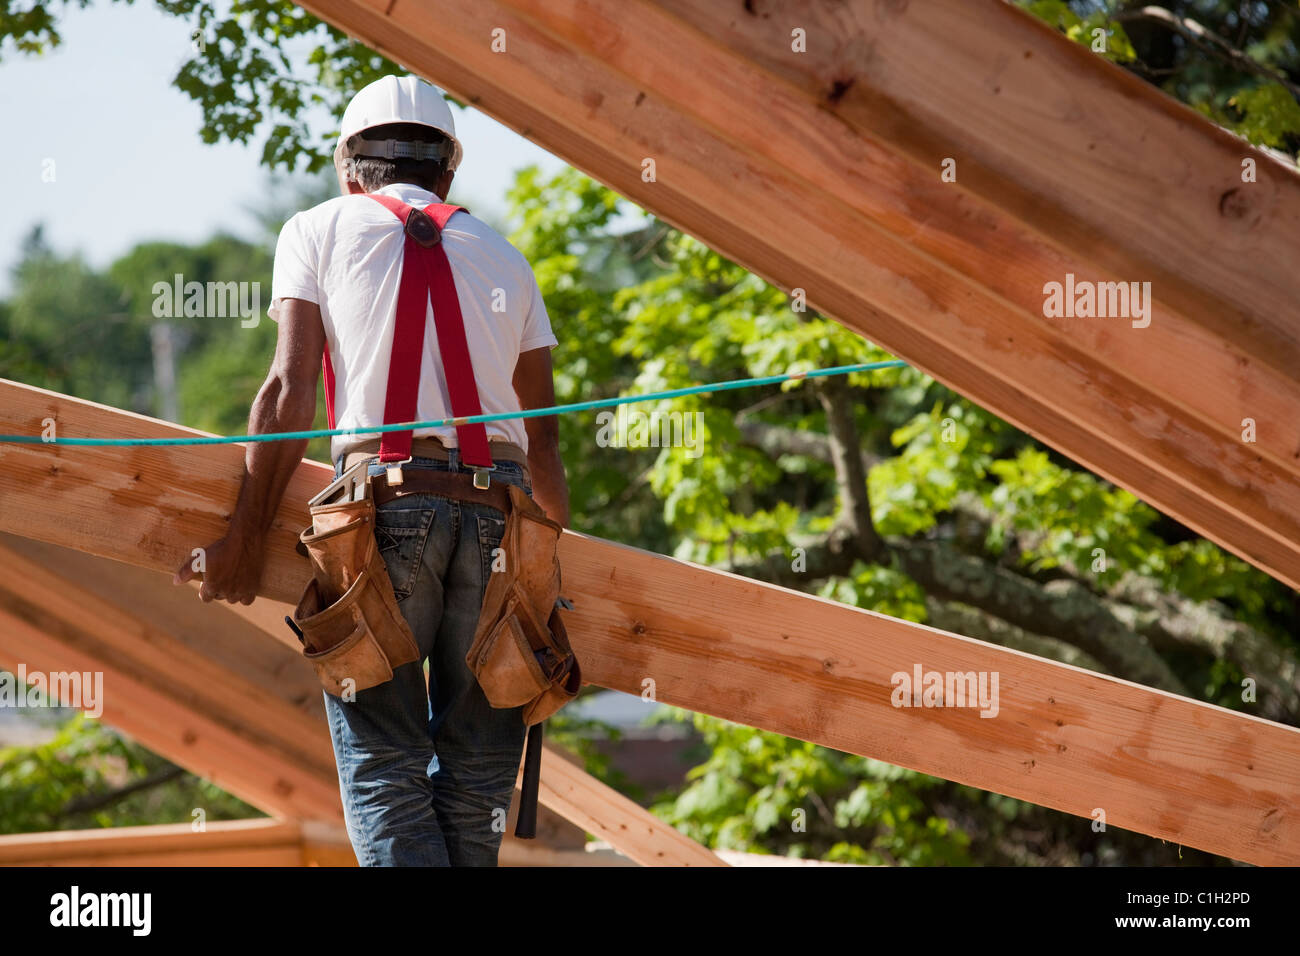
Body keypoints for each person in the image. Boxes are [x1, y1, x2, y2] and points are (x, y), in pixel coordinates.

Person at [175, 74, 570, 866]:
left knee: (387, 768)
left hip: (387, 513)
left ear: (347, 168)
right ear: (448, 174)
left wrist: (244, 541)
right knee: (476, 779)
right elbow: (546, 445)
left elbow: (287, 389)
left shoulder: (316, 229)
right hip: (504, 520)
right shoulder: (507, 258)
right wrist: (545, 582)